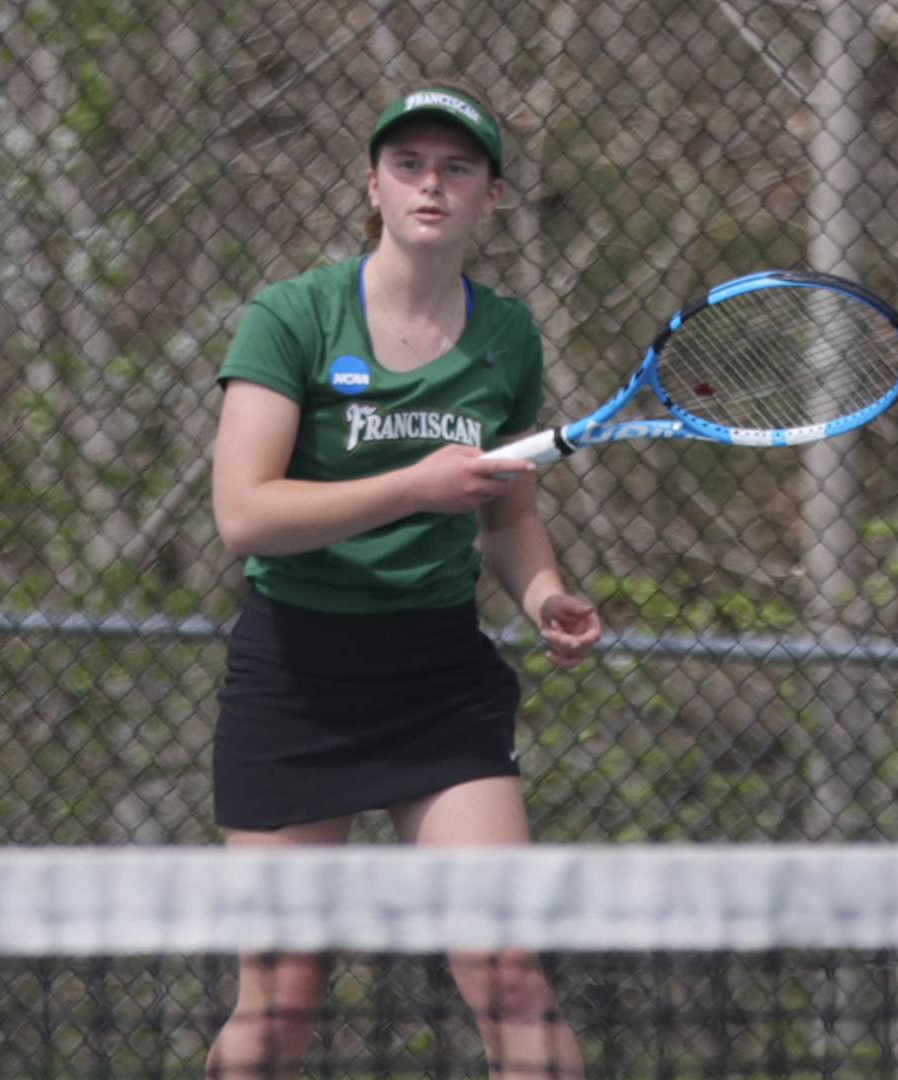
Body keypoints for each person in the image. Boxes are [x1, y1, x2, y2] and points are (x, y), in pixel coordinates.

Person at [205, 81, 602, 1080]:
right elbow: (244, 515)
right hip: (295, 676)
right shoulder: (292, 316)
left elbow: (508, 513)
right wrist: (412, 488)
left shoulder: (507, 335)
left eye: (457, 167)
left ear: (491, 197)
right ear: (373, 184)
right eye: (409, 164)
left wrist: (544, 594)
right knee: (279, 1004)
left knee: (510, 977)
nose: (432, 184)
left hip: (438, 680)